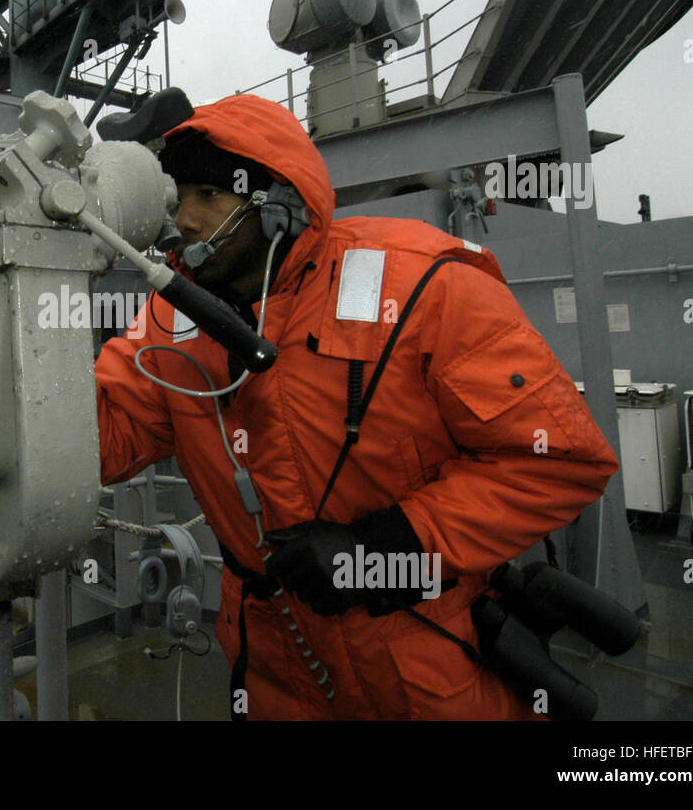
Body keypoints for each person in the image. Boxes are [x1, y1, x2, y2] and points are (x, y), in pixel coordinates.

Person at [94, 93, 619, 720]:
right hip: (268, 663)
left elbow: (559, 459)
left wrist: (385, 548)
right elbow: (106, 441)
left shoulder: (424, 283)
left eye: (208, 194)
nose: (185, 219)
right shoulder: (168, 316)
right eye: (178, 197)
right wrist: (12, 342)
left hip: (416, 651)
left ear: (279, 202)